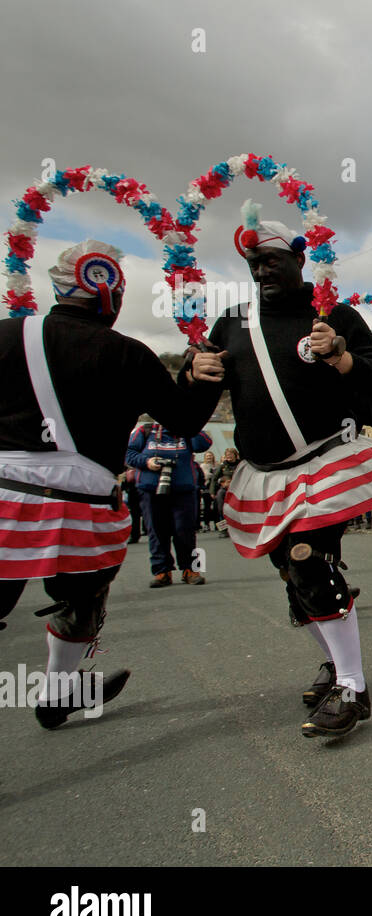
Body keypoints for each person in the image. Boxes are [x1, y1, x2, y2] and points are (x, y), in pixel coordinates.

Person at [178, 204, 372, 738]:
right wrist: (193, 374)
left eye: (271, 262)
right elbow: (189, 415)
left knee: (307, 562)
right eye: (253, 264)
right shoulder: (230, 325)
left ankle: (353, 686)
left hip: (327, 462)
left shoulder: (334, 316)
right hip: (265, 474)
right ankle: (335, 663)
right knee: (292, 579)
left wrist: (342, 357)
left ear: (301, 259)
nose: (261, 272)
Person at [0, 239, 221, 728]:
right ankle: (59, 688)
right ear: (112, 299)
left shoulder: (4, 335)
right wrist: (201, 377)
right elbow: (184, 421)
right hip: (79, 502)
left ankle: (60, 692)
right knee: (82, 596)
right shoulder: (126, 353)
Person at [126, 423, 212, 586]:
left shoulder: (186, 430)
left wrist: (187, 424)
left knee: (185, 530)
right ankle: (162, 571)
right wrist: (147, 461)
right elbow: (128, 453)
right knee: (156, 530)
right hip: (150, 489)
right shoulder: (145, 431)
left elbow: (203, 444)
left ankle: (191, 569)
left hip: (183, 489)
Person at [209, 447, 238, 537]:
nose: (228, 456)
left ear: (235, 455)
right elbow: (214, 479)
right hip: (226, 490)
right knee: (220, 508)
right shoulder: (222, 466)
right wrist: (212, 492)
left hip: (239, 489)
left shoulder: (241, 464)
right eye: (227, 455)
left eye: (230, 454)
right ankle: (223, 530)